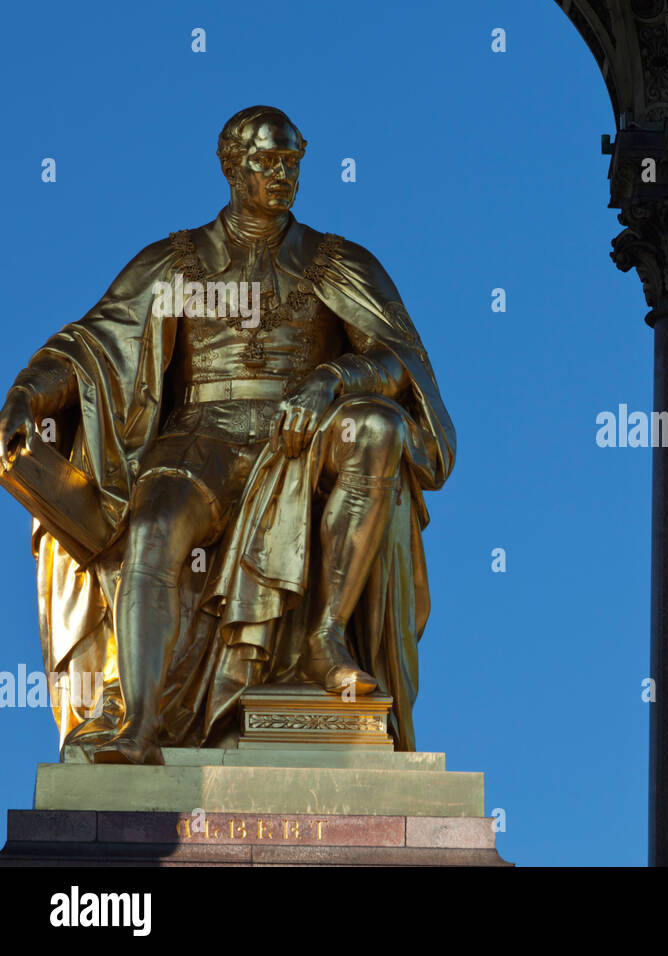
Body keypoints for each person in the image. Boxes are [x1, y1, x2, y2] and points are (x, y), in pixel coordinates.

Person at [0, 106, 455, 764]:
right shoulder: (174, 263)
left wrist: (334, 376)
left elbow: (399, 363)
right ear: (232, 168)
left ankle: (326, 639)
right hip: (198, 439)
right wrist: (24, 397)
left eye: (292, 162)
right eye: (267, 162)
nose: (282, 175)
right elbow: (88, 347)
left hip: (300, 439)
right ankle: (140, 722)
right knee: (152, 529)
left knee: (378, 426)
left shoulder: (338, 262)